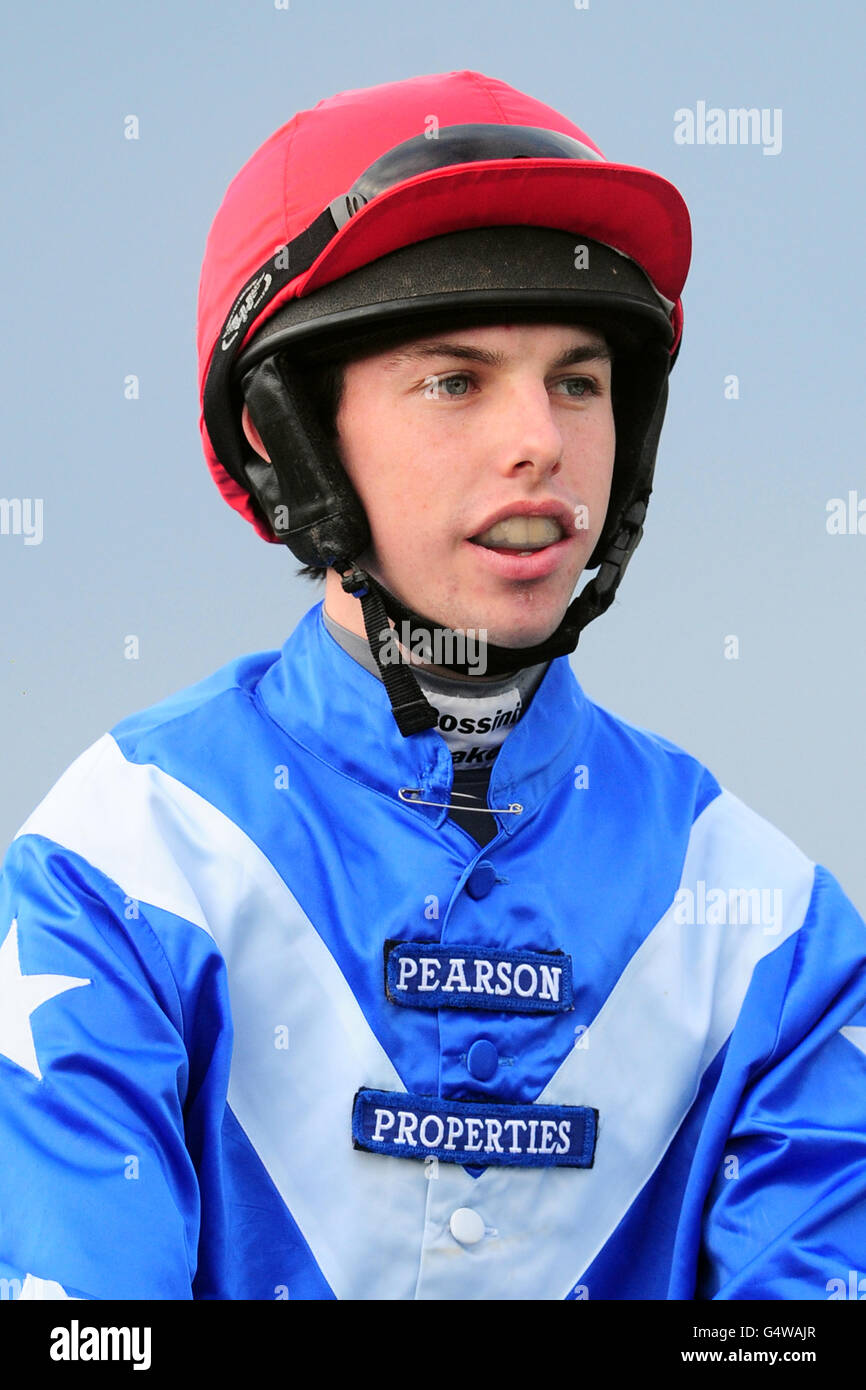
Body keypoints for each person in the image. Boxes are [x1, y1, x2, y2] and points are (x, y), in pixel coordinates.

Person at [1, 69, 864, 1303]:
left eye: (577, 379)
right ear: (284, 436)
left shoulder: (774, 927)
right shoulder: (124, 863)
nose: (541, 442)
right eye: (454, 380)